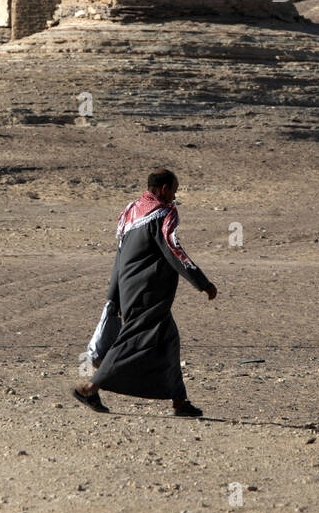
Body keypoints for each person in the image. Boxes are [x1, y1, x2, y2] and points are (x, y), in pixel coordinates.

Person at [73, 168, 217, 417]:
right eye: (173, 190)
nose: (174, 195)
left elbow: (120, 254)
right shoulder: (163, 213)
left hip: (127, 286)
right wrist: (202, 282)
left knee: (169, 339)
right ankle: (90, 387)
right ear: (163, 189)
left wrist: (113, 293)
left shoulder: (131, 210)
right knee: (132, 340)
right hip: (148, 291)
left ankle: (179, 402)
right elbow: (173, 249)